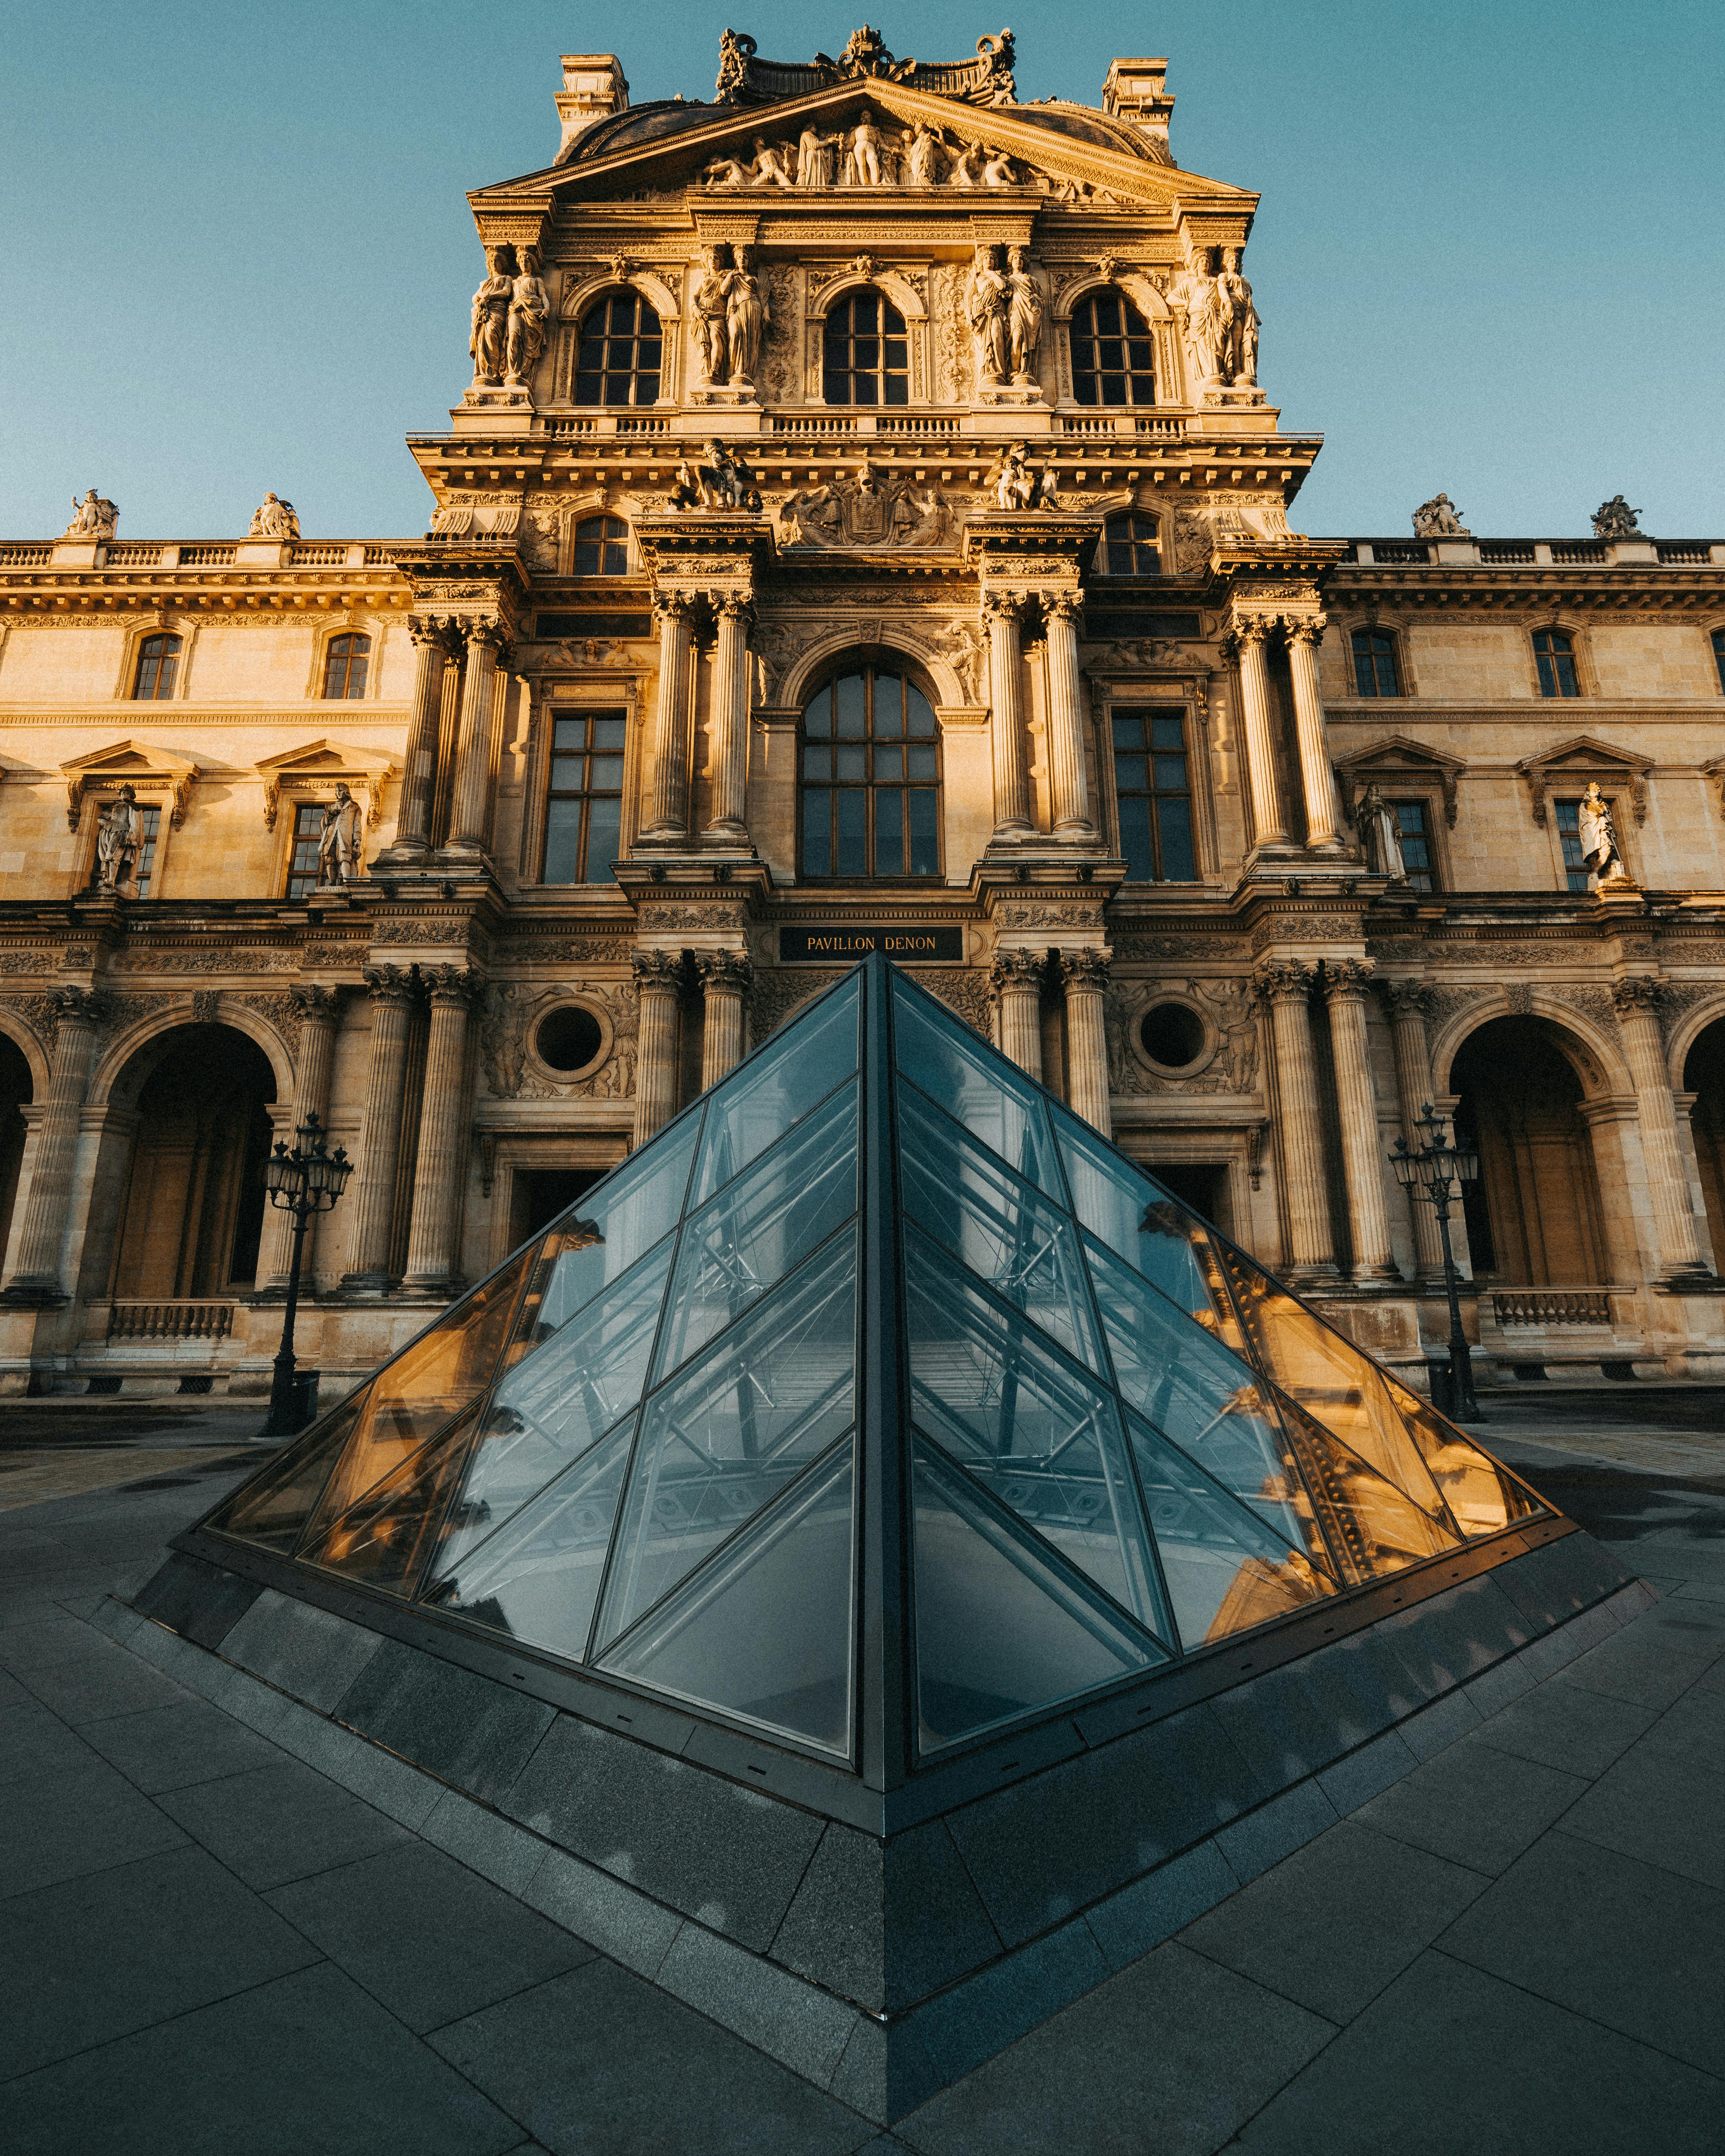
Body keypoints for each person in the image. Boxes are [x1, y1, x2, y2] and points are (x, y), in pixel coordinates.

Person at [505, 246, 551, 388]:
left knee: (530, 344)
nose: (524, 265)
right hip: (515, 310)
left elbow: (543, 296)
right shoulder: (514, 282)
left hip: (534, 310)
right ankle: (513, 372)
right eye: (522, 262)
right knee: (513, 337)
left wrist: (547, 309)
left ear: (531, 264)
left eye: (527, 262)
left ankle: (523, 373)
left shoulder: (537, 280)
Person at [468, 248, 514, 385]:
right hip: (484, 313)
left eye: (497, 261)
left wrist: (490, 296)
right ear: (489, 265)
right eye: (492, 261)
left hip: (497, 311)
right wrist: (482, 296)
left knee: (493, 338)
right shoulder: (484, 283)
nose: (494, 263)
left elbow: (506, 293)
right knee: (483, 342)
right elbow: (475, 297)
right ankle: (486, 373)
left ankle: (495, 371)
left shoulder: (507, 278)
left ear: (503, 264)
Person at [722, 246, 768, 383]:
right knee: (735, 334)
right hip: (736, 309)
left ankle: (744, 372)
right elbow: (724, 291)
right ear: (736, 261)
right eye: (740, 257)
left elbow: (763, 297)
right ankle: (732, 371)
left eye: (746, 257)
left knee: (750, 340)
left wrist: (767, 312)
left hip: (753, 307)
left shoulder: (754, 279)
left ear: (749, 262)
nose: (743, 259)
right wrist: (730, 275)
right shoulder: (733, 277)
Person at [1006, 245, 1043, 384]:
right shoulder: (1008, 280)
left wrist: (1036, 301)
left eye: (1021, 259)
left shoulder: (1032, 280)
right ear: (1011, 262)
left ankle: (1025, 370)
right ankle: (1015, 370)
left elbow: (1041, 299)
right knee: (1016, 337)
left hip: (1030, 313)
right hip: (1015, 312)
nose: (1018, 261)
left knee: (1028, 343)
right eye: (1015, 258)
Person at [1578, 782, 1628, 883]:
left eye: (1597, 791)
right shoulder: (1585, 805)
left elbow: (1608, 818)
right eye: (1593, 790)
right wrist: (1601, 808)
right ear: (1588, 793)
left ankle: (1595, 873)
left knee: (1607, 850)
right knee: (1595, 855)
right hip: (1592, 832)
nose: (1596, 792)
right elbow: (1595, 813)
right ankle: (1595, 873)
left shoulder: (1603, 805)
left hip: (1602, 832)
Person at [96, 785, 143, 892]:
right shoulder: (116, 805)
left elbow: (135, 822)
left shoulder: (133, 806)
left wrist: (131, 836)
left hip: (122, 831)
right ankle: (108, 878)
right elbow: (101, 818)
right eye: (122, 791)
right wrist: (106, 823)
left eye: (127, 792)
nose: (124, 793)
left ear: (131, 795)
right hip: (109, 831)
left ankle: (112, 880)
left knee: (113, 855)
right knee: (107, 856)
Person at [317, 783, 364, 886]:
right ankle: (332, 883)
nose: (338, 793)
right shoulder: (331, 807)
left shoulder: (354, 807)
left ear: (346, 792)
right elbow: (324, 822)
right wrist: (330, 814)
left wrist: (357, 839)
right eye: (337, 791)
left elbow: (357, 825)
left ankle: (347, 882)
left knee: (345, 858)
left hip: (345, 836)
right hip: (331, 835)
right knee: (330, 859)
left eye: (341, 791)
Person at [796, 122, 842, 187]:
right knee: (814, 174)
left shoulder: (814, 136)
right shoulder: (806, 134)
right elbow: (815, 145)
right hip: (813, 157)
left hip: (818, 157)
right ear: (809, 127)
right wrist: (828, 142)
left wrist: (830, 140)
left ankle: (819, 187)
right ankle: (812, 188)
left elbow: (820, 143)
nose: (816, 129)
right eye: (814, 127)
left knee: (819, 175)